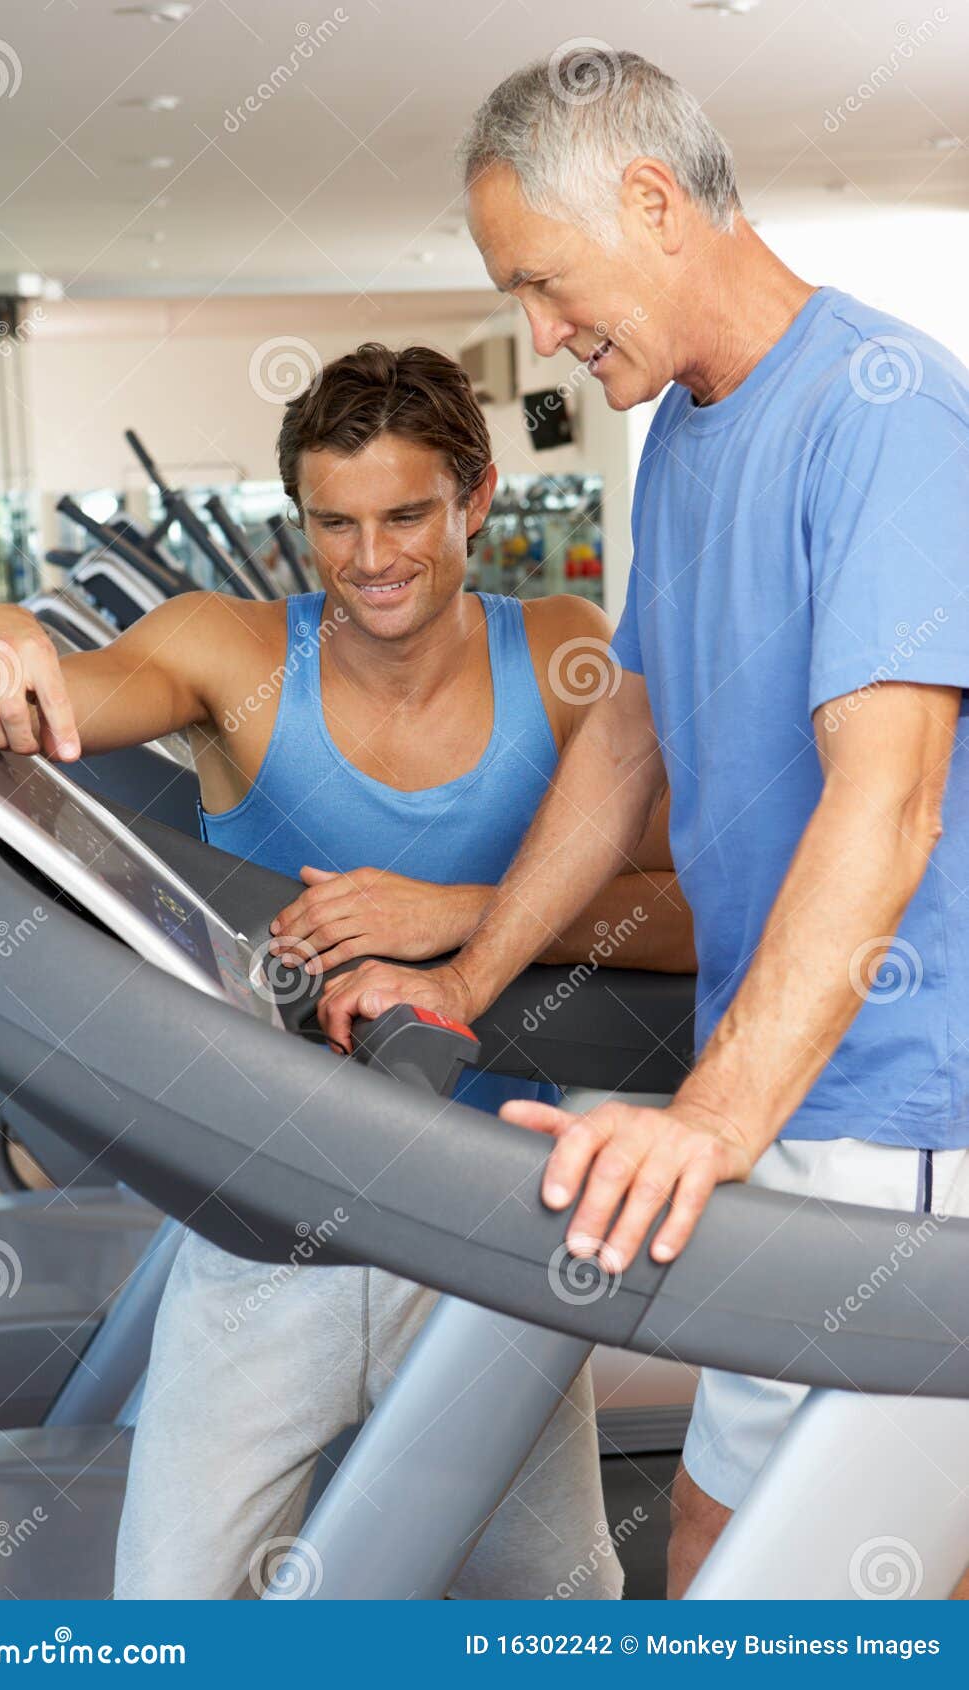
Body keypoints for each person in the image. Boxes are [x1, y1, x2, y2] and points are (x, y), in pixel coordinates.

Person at [316, 53, 969, 1598]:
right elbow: (626, 740)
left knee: (821, 1572)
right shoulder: (680, 434)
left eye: (540, 281)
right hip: (791, 1095)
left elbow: (890, 797)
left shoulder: (885, 413)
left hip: (908, 1110)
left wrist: (708, 1121)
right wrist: (463, 987)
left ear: (651, 203)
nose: (538, 332)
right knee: (723, 1547)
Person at [0, 341, 693, 1599]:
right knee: (168, 1612)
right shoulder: (225, 652)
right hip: (264, 1230)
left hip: (489, 1233)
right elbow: (49, 693)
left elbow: (683, 912)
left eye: (406, 513)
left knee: (556, 1610)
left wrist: (454, 913)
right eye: (334, 523)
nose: (371, 557)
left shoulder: (564, 660)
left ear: (477, 498)